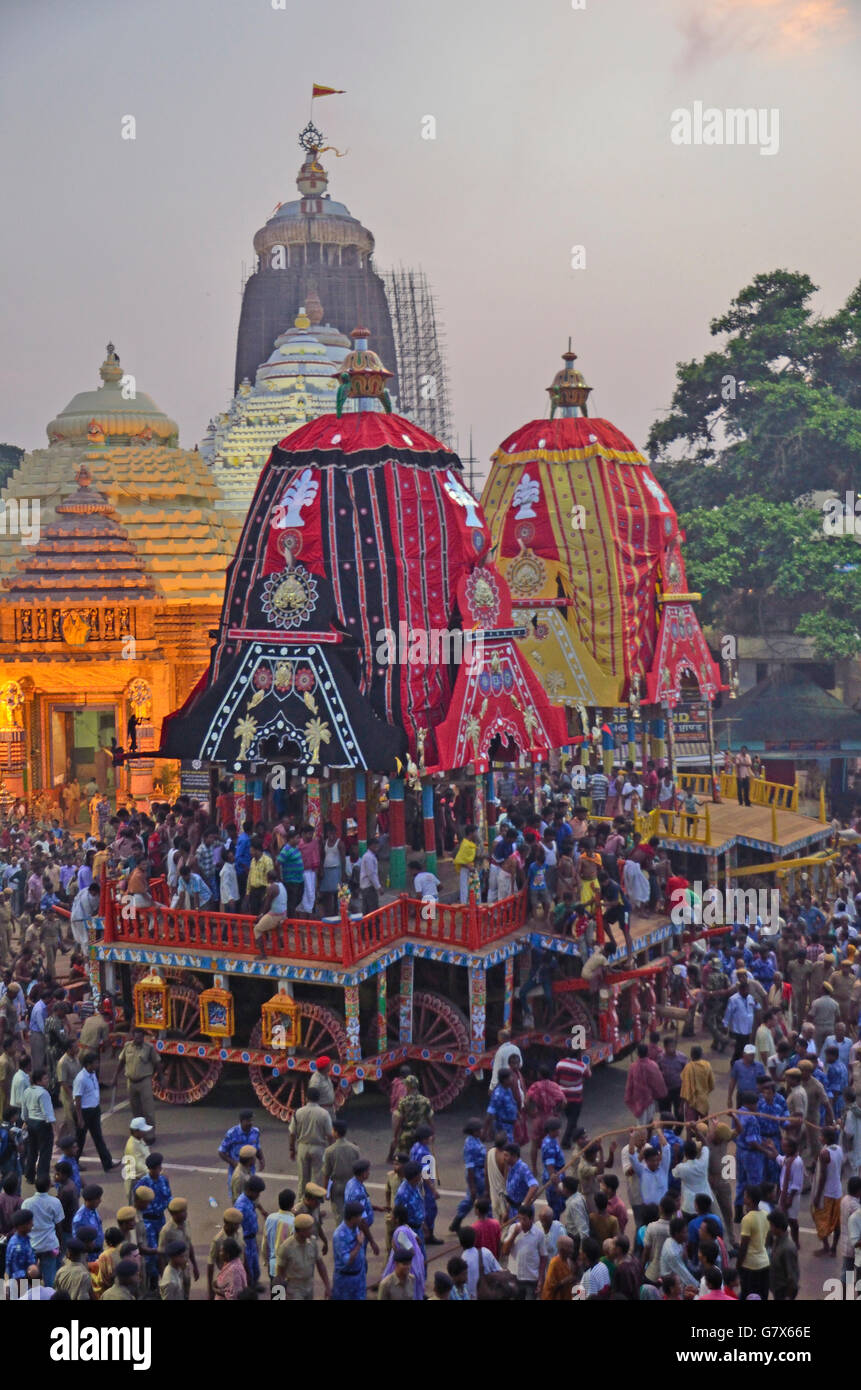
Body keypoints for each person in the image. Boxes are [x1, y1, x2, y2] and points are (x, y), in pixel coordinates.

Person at [72, 1052, 115, 1173]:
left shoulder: (93, 1073)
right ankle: (74, 1162)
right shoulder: (81, 1079)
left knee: (98, 1137)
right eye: (95, 1062)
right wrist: (80, 1117)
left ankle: (107, 1163)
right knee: (80, 1139)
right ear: (88, 1064)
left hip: (94, 1109)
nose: (97, 1064)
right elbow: (78, 1098)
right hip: (84, 1112)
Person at [289, 1086, 333, 1199]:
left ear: (307, 1098)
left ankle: (301, 1205)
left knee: (303, 1179)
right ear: (318, 1098)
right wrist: (331, 1151)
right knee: (316, 1181)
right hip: (318, 1148)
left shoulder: (298, 1112)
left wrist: (292, 1149)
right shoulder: (324, 1114)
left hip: (303, 1146)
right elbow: (329, 1135)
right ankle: (315, 1209)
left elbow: (292, 1133)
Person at [274, 1211, 330, 1301]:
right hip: (293, 1289)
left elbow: (320, 1265)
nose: (312, 1231)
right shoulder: (286, 1247)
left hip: (309, 1286)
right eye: (309, 1229)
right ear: (301, 1231)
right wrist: (278, 1296)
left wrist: (327, 1286)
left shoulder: (312, 1242)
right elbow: (280, 1274)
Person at [22, 1175, 64, 1287]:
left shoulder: (27, 1203)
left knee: (32, 1278)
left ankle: (34, 1297)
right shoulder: (55, 1202)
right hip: (49, 1245)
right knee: (50, 1279)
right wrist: (60, 1244)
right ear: (48, 1186)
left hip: (32, 1246)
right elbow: (59, 1226)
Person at [501, 1203, 547, 1299]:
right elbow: (505, 1252)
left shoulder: (539, 1234)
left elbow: (543, 1257)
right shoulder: (513, 1228)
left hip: (531, 1279)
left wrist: (541, 1279)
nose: (521, 1222)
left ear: (531, 1219)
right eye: (519, 1218)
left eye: (524, 1219)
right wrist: (514, 1235)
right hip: (515, 1276)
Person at [811, 1126, 844, 1256]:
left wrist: (817, 1196)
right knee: (836, 1222)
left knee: (819, 1217)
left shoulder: (824, 1153)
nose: (819, 1137)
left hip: (827, 1193)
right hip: (838, 1191)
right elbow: (841, 1170)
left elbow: (823, 1177)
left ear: (827, 1138)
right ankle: (834, 1248)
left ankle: (826, 1246)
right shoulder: (839, 1149)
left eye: (821, 1136)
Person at [21, 1066, 55, 1184]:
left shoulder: (27, 1091)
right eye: (45, 1078)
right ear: (38, 1081)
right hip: (42, 1124)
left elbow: (24, 1109)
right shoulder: (43, 1093)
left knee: (32, 1150)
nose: (47, 1080)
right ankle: (42, 1179)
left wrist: (25, 1121)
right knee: (45, 1153)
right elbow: (48, 1113)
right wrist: (54, 1128)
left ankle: (29, 1175)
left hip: (31, 1122)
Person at [322, 1120, 361, 1221]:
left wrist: (325, 1190)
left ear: (336, 1132)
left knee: (339, 1215)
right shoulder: (355, 1149)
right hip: (352, 1185)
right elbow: (359, 1169)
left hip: (337, 1186)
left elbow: (326, 1173)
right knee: (352, 1214)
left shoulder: (329, 1151)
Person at [218, 1109, 264, 1194]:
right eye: (248, 1121)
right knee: (237, 1197)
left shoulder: (255, 1132)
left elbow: (257, 1147)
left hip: (250, 1171)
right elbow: (221, 1152)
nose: (250, 1123)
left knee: (251, 1194)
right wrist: (234, 1163)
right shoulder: (232, 1133)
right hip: (236, 1172)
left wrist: (261, 1160)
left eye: (251, 1120)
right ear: (241, 1121)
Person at [331, 1199, 368, 1300]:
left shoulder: (355, 1228)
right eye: (359, 1216)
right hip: (345, 1281)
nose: (361, 1218)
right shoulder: (339, 1235)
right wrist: (359, 1244)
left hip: (359, 1278)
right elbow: (347, 1260)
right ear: (352, 1218)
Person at [624, 1044, 668, 1125]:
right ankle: (647, 1136)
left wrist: (628, 1096)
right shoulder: (653, 1065)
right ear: (647, 1053)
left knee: (641, 1124)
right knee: (650, 1120)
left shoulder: (633, 1066)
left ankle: (643, 1136)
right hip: (650, 1099)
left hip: (639, 1099)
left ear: (638, 1054)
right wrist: (661, 1094)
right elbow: (659, 1081)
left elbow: (629, 1084)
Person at [359, 836, 381, 915]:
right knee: (372, 909)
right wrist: (378, 887)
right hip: (368, 887)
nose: (376, 848)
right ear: (370, 846)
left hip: (366, 887)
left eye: (377, 846)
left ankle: (366, 926)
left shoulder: (370, 856)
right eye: (374, 846)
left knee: (367, 909)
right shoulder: (368, 857)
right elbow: (371, 874)